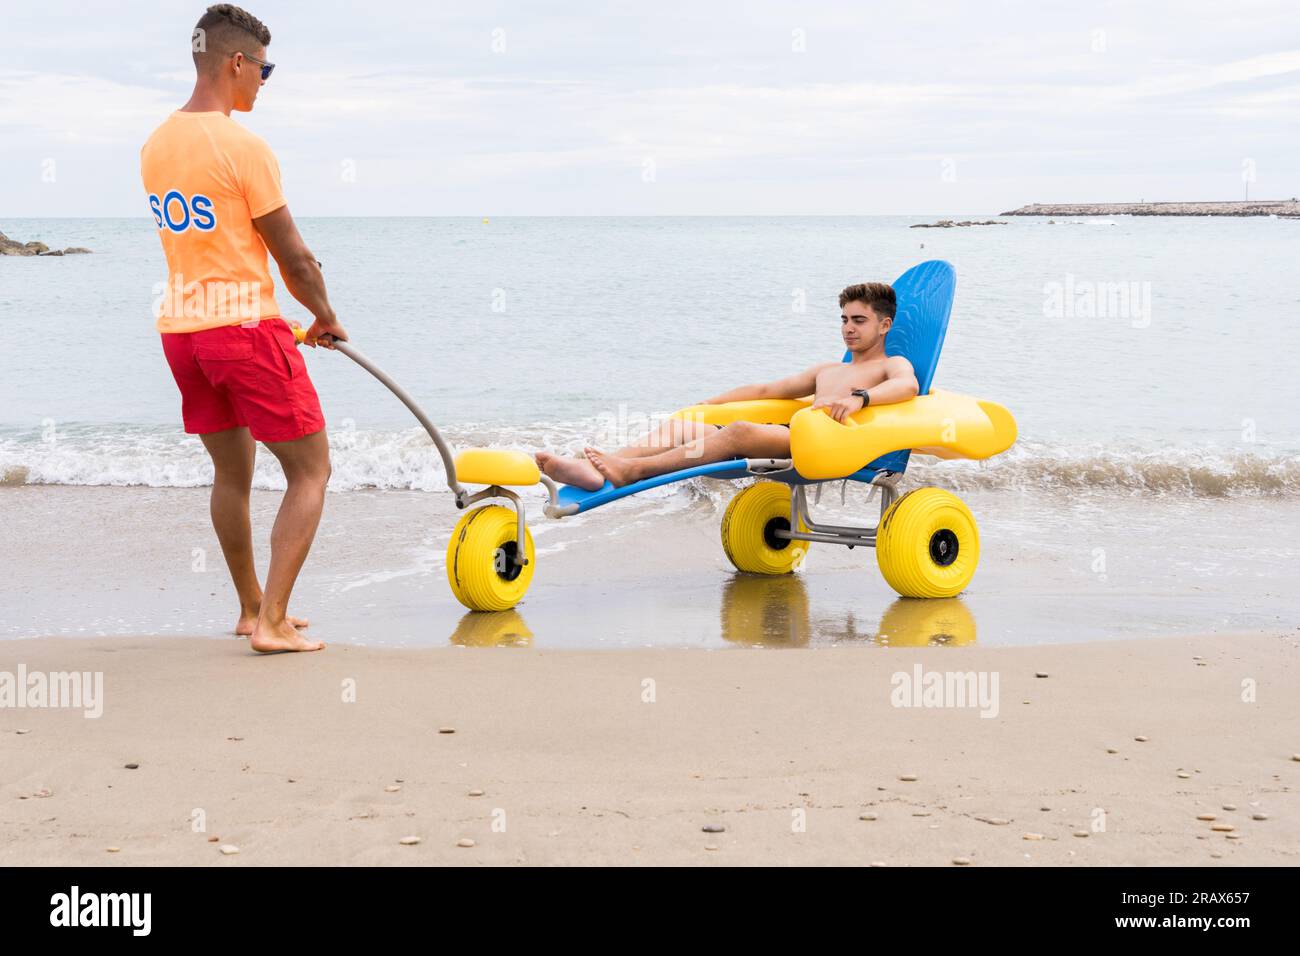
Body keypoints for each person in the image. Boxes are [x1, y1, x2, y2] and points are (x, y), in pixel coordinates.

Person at [141, 4, 347, 653]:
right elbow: (294, 257)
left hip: (184, 335)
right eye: (265, 68)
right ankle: (274, 624)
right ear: (236, 63)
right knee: (311, 469)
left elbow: (212, 255)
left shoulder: (156, 145)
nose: (265, 80)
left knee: (232, 475)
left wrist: (277, 319)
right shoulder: (243, 147)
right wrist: (324, 316)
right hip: (243, 334)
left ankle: (252, 607)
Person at [536, 282, 918, 490]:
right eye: (844, 319)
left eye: (859, 321)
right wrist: (709, 403)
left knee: (737, 432)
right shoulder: (829, 369)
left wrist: (860, 399)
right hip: (790, 435)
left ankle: (632, 471)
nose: (848, 328)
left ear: (884, 325)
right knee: (684, 427)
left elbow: (908, 387)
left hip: (832, 442)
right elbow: (768, 390)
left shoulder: (890, 365)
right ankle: (597, 471)